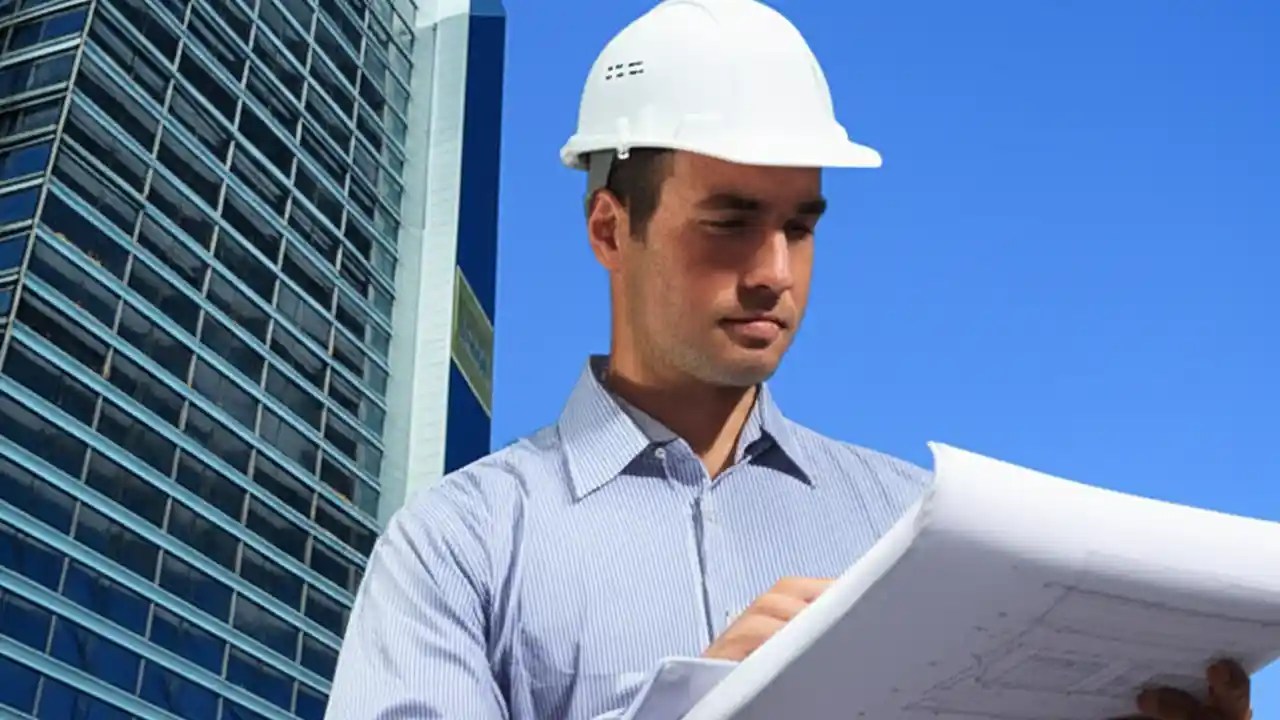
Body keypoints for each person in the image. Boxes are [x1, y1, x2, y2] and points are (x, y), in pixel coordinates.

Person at [325, 1, 1253, 718]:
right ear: (612, 229)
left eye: (799, 228)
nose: (775, 273)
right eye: (729, 223)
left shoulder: (916, 532)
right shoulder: (460, 547)